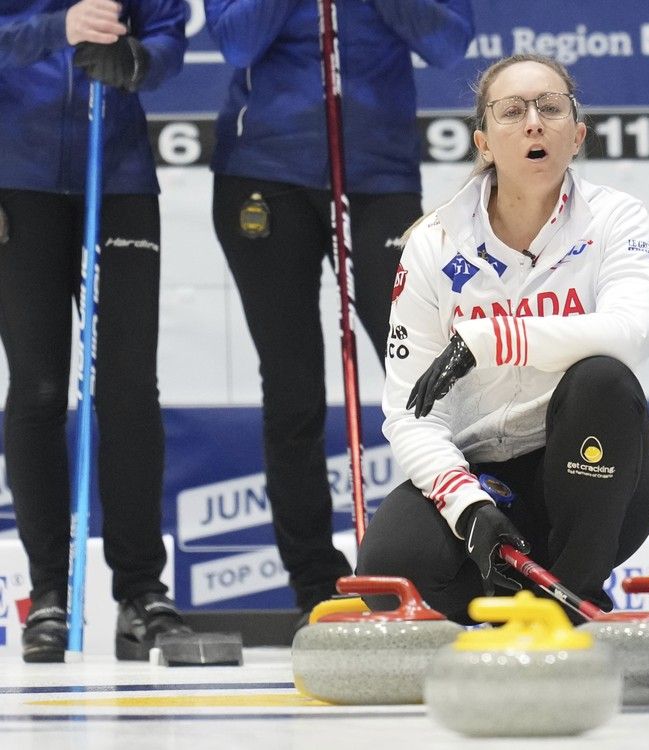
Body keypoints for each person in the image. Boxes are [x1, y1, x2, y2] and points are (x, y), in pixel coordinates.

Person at [356, 53, 649, 624]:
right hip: (487, 477)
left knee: (602, 377)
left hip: (592, 474)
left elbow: (630, 334)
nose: (533, 123)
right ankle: (509, 600)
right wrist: (466, 505)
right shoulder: (432, 242)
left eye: (550, 108)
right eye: (512, 111)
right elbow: (410, 412)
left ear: (577, 137)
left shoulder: (616, 219)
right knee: (391, 566)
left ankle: (575, 597)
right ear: (483, 143)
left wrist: (489, 339)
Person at [204, 0, 474, 625]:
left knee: (429, 376)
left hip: (376, 174)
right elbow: (237, 41)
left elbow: (449, 42)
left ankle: (456, 559)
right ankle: (316, 587)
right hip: (264, 173)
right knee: (293, 384)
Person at [0, 0, 191, 662]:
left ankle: (142, 593)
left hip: (119, 177)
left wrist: (139, 60)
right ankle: (48, 593)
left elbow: (169, 31)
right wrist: (58, 28)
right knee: (38, 388)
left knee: (129, 388)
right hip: (17, 181)